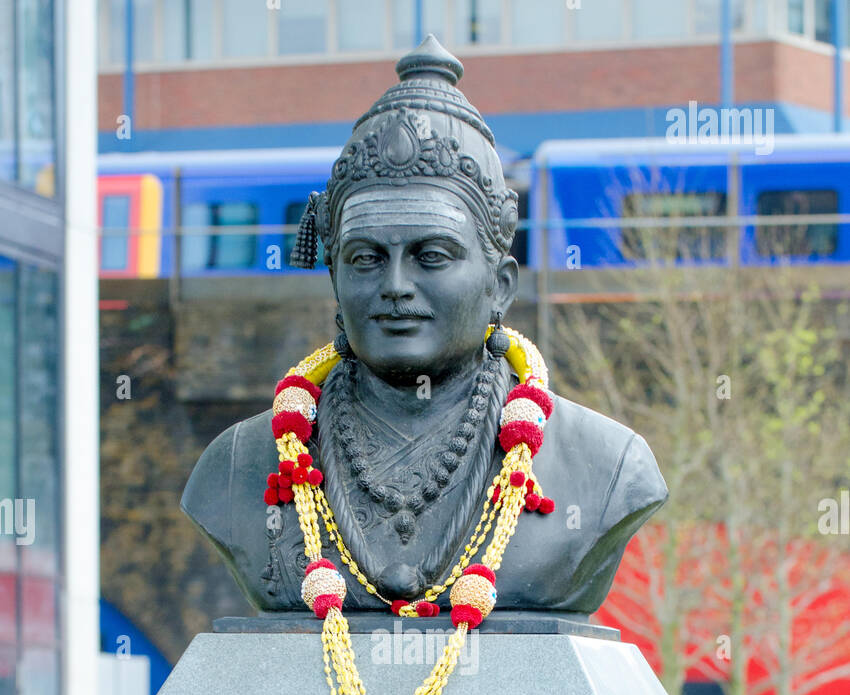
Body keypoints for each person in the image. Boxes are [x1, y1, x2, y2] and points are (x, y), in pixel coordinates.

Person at [181, 35, 667, 614]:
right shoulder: (238, 466)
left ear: (500, 285)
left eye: (431, 256)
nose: (395, 285)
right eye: (366, 258)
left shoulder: (605, 465)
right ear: (334, 278)